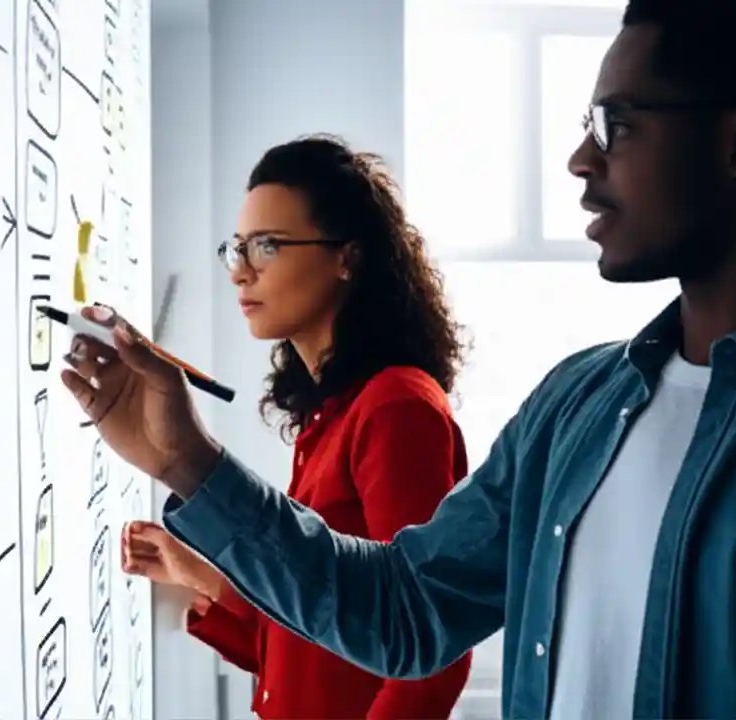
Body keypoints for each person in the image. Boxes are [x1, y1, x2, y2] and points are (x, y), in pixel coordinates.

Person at [61, 1, 736, 717]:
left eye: (618, 125)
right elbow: (404, 612)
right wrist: (185, 459)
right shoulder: (580, 406)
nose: (579, 162)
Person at [91, 135, 472, 719]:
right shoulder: (331, 414)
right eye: (236, 248)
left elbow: (430, 650)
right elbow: (312, 644)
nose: (240, 272)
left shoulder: (395, 406)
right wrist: (205, 578)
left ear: (347, 256)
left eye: (267, 246)